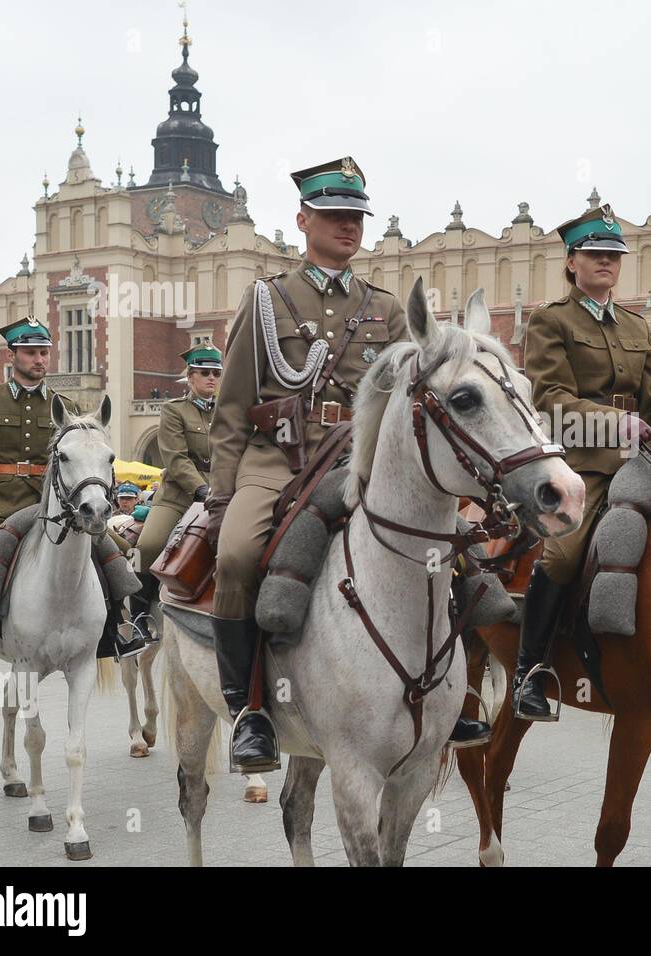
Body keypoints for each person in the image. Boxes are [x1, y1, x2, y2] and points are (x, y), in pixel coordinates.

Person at [208, 156, 486, 771]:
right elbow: (231, 409)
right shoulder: (267, 301)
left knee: (452, 546)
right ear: (303, 219)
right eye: (335, 215)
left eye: (356, 215)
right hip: (277, 458)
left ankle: (452, 693)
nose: (348, 226)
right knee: (234, 553)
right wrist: (223, 493)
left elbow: (410, 398)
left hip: (354, 458)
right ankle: (248, 708)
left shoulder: (385, 308)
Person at [516, 202, 651, 720]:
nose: (606, 262)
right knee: (563, 555)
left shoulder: (637, 327)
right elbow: (550, 396)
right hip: (582, 463)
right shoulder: (551, 320)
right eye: (595, 253)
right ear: (572, 261)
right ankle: (529, 671)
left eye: (613, 255)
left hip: (646, 459)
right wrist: (614, 422)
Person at [0, 316, 145, 674]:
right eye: (31, 352)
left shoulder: (62, 404)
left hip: (52, 501)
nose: (39, 359)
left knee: (112, 550)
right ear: (13, 356)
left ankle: (116, 629)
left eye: (43, 353)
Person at [130, 344, 220, 638]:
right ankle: (140, 617)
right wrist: (201, 488)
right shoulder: (174, 409)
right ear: (190, 377)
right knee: (148, 546)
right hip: (179, 494)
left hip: (221, 491)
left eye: (216, 373)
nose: (211, 378)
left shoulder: (229, 412)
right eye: (204, 373)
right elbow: (176, 457)